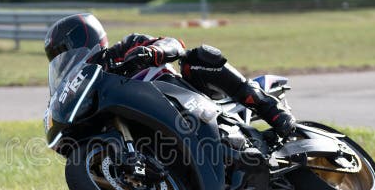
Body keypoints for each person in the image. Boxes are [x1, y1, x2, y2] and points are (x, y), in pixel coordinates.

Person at [44, 13, 296, 138]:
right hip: (155, 124)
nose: (65, 59)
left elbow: (173, 43)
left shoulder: (123, 49)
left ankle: (268, 108)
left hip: (189, 98)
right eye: (59, 57)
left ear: (85, 37)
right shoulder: (89, 86)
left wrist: (152, 52)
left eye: (67, 51)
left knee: (197, 58)